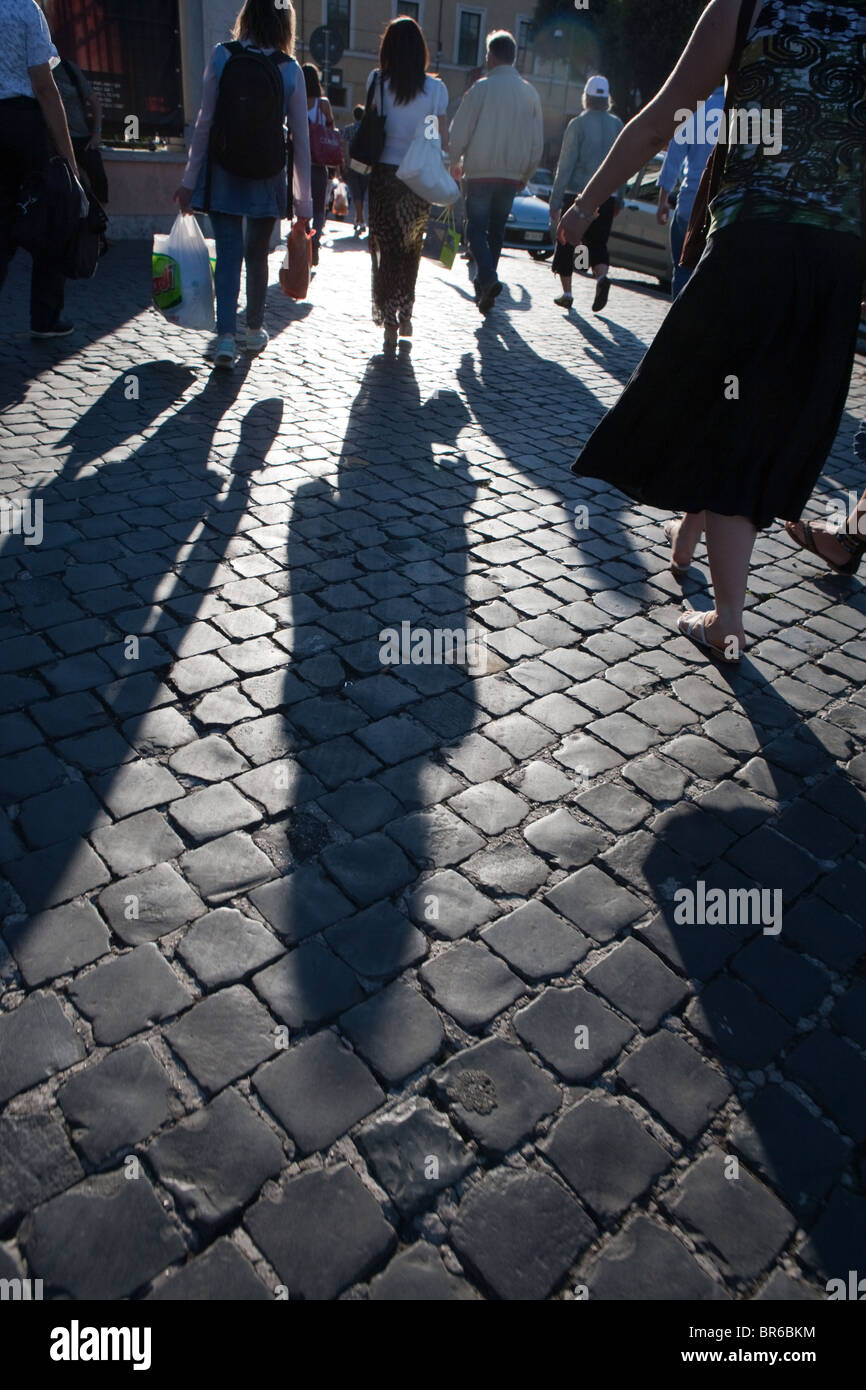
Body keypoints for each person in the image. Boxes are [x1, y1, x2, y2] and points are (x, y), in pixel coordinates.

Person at [559, 0, 866, 665]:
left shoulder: (747, 4)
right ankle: (693, 532)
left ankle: (728, 619)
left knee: (727, 408)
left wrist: (586, 204)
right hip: (838, 258)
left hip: (755, 241)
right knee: (751, 412)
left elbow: (661, 118)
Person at [174, 0, 312, 370]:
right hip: (267, 177)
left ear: (246, 17)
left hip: (223, 171)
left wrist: (189, 181)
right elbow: (301, 143)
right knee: (256, 255)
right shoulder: (290, 70)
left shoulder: (222, 56)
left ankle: (223, 338)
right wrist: (304, 207)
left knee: (229, 253)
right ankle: (253, 330)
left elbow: (204, 124)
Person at [0, 0, 85, 337]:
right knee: (50, 216)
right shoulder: (25, 9)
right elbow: (44, 86)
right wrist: (69, 159)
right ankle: (45, 316)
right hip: (23, 123)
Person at [366, 16, 449, 349]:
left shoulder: (376, 80)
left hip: (384, 175)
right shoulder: (436, 89)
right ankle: (405, 312)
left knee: (387, 248)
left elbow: (375, 125)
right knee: (410, 249)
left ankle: (387, 316)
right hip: (418, 178)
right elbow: (437, 138)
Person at [449, 31, 543, 315]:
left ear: (491, 55)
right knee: (496, 232)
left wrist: (454, 160)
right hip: (510, 175)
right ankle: (484, 284)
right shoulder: (530, 93)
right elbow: (537, 141)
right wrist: (526, 173)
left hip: (479, 171)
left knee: (475, 229)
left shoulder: (481, 88)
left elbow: (460, 129)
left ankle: (487, 278)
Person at [549, 75, 624, 314]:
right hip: (606, 195)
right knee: (598, 243)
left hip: (578, 194)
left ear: (586, 98)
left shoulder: (577, 124)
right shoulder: (617, 125)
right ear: (607, 99)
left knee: (566, 241)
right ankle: (601, 278)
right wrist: (619, 196)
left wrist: (556, 199)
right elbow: (623, 165)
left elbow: (566, 164)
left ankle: (567, 293)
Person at [657, 83, 724, 298]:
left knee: (683, 269)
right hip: (727, 210)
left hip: (691, 202)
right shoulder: (748, 113)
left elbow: (672, 161)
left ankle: (678, 324)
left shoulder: (693, 111)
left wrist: (662, 201)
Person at [54, 54, 107, 205]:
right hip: (53, 139)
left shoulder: (68, 68)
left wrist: (97, 133)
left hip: (80, 137)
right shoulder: (34, 69)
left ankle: (98, 221)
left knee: (98, 178)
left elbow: (95, 102)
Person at [303, 63, 335, 265]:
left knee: (301, 204)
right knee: (319, 207)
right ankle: (315, 240)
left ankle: (305, 239)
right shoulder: (322, 103)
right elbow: (331, 128)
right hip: (319, 161)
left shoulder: (296, 100)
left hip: (300, 160)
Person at [341, 103, 368, 234]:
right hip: (365, 165)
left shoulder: (348, 129)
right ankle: (359, 219)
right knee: (361, 193)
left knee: (355, 192)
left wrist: (345, 163)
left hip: (352, 164)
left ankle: (360, 219)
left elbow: (344, 148)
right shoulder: (368, 130)